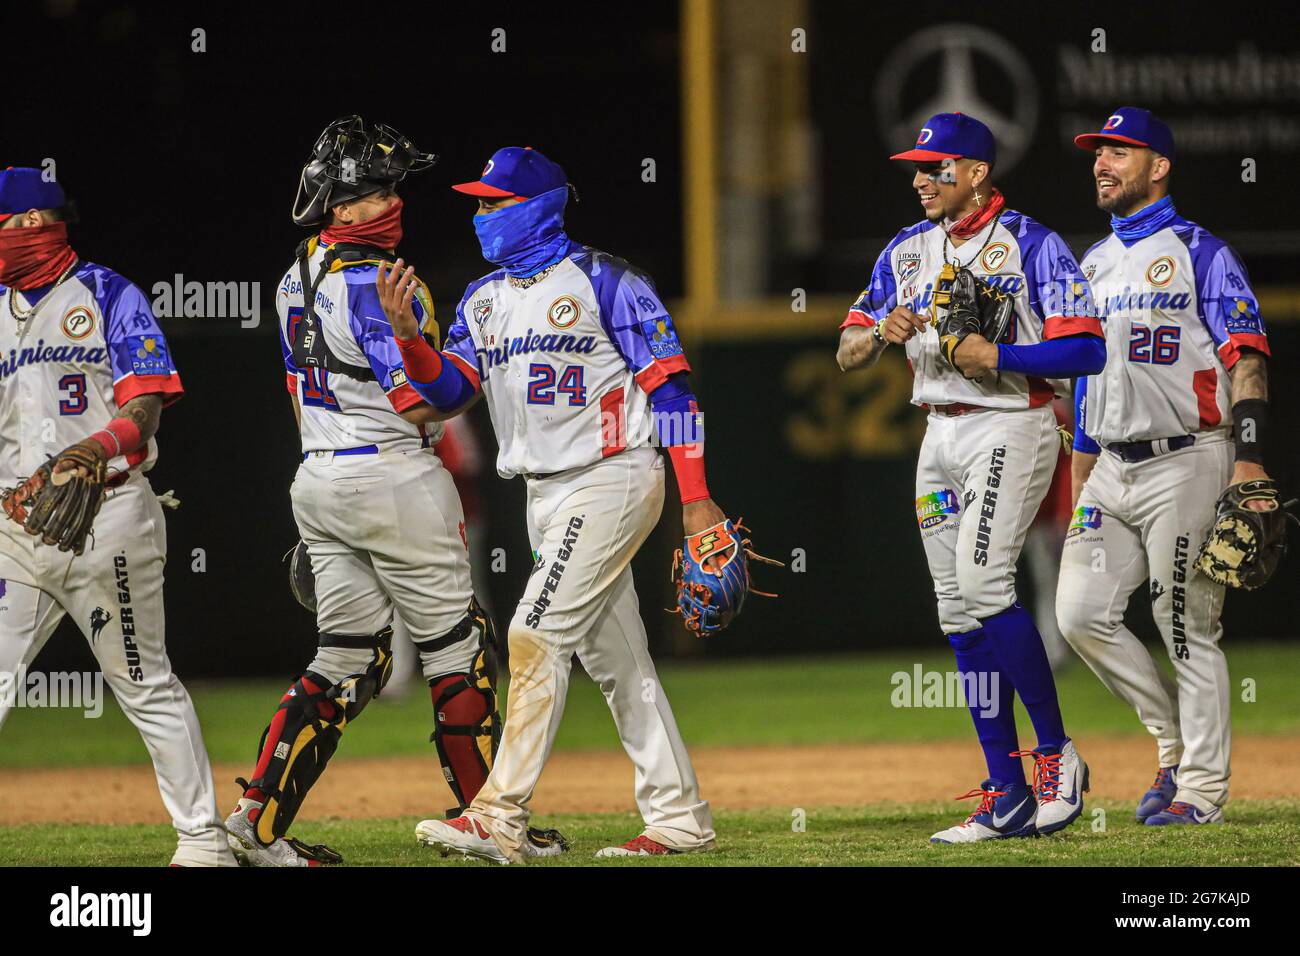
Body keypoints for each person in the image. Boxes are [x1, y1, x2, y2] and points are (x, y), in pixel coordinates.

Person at [223, 118, 566, 866]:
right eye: (372, 192)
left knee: (345, 658)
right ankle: (489, 823)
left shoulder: (297, 271)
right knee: (460, 654)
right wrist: (438, 356)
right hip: (392, 472)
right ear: (336, 206)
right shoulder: (373, 285)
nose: (389, 202)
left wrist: (325, 493)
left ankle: (254, 824)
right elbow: (421, 405)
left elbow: (297, 392)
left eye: (392, 189)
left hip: (318, 473)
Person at [382, 146, 721, 863]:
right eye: (476, 203)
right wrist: (412, 343)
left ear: (536, 206)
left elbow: (673, 392)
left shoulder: (608, 281)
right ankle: (680, 817)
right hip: (544, 496)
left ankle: (498, 815)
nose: (479, 216)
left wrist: (696, 500)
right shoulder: (482, 299)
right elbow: (451, 394)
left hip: (614, 475)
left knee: (534, 633)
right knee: (620, 664)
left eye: (492, 203)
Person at [836, 113, 1106, 844]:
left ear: (979, 172)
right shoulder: (906, 249)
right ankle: (1007, 789)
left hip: (1009, 423)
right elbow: (848, 351)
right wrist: (874, 334)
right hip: (938, 433)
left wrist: (1003, 358)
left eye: (936, 167)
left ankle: (1056, 756)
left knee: (987, 588)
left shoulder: (1034, 243)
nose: (921, 179)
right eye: (917, 169)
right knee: (957, 613)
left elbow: (1086, 352)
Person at [0, 166, 234, 866]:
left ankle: (202, 841)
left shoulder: (108, 294)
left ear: (34, 223)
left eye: (7, 223)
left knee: (143, 683)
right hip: (18, 530)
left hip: (107, 517)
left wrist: (90, 450)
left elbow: (146, 405)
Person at [1057, 107, 1273, 826]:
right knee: (1079, 614)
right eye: (1098, 152)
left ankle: (1202, 791)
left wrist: (1249, 458)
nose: (1102, 162)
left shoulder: (1199, 251)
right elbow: (1085, 380)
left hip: (1190, 456)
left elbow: (1245, 354)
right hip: (1111, 466)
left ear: (1159, 166)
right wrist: (1081, 471)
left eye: (1120, 150)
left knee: (1185, 621)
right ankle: (1173, 744)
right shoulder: (1088, 263)